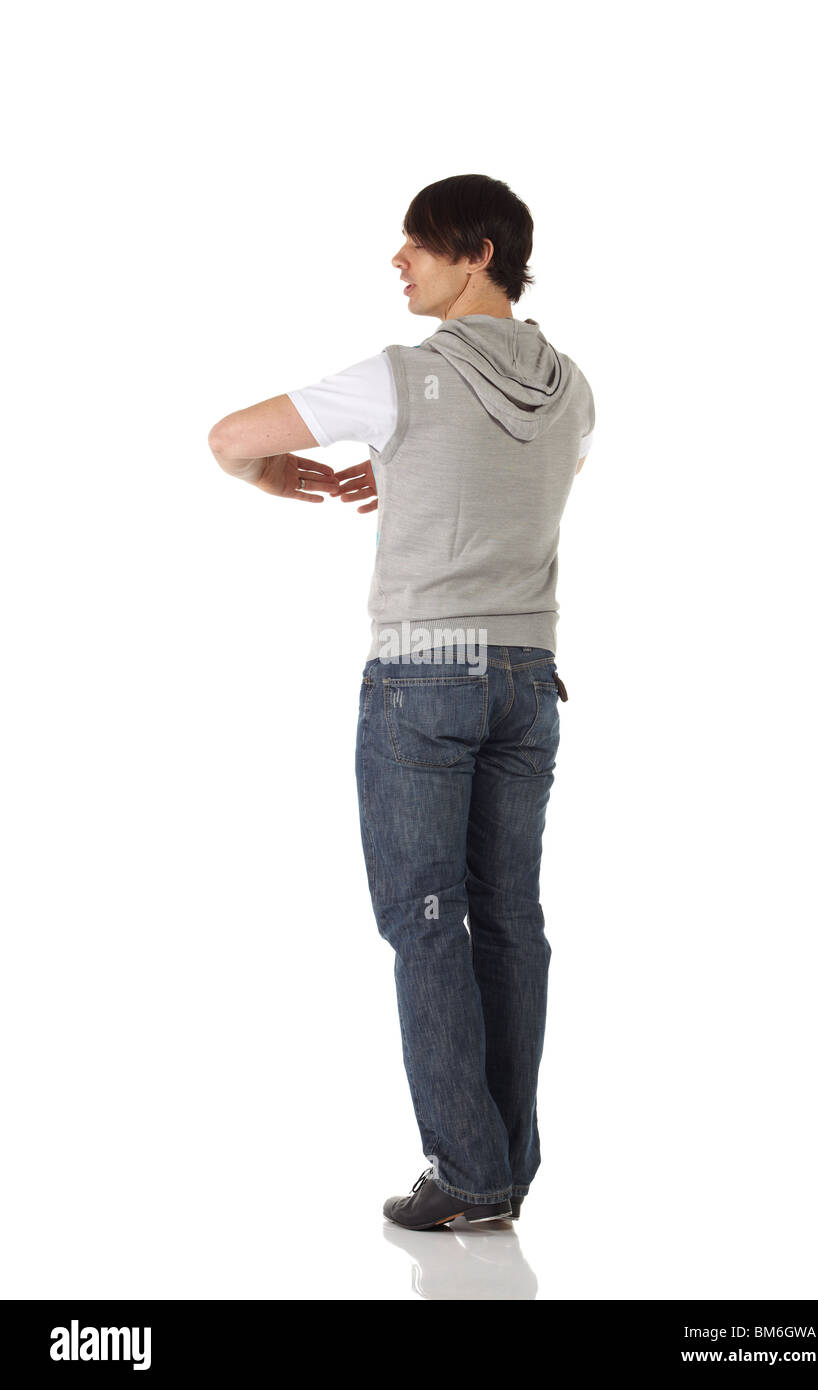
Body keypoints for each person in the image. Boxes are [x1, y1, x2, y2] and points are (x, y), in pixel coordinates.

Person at [207, 174, 595, 1232]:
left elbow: (230, 436)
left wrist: (279, 479)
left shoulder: (403, 378)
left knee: (427, 926)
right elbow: (498, 490)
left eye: (417, 245)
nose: (398, 261)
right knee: (509, 922)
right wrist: (409, 471)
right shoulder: (573, 388)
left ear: (476, 252)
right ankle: (503, 1168)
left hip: (424, 675)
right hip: (526, 676)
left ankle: (467, 1176)